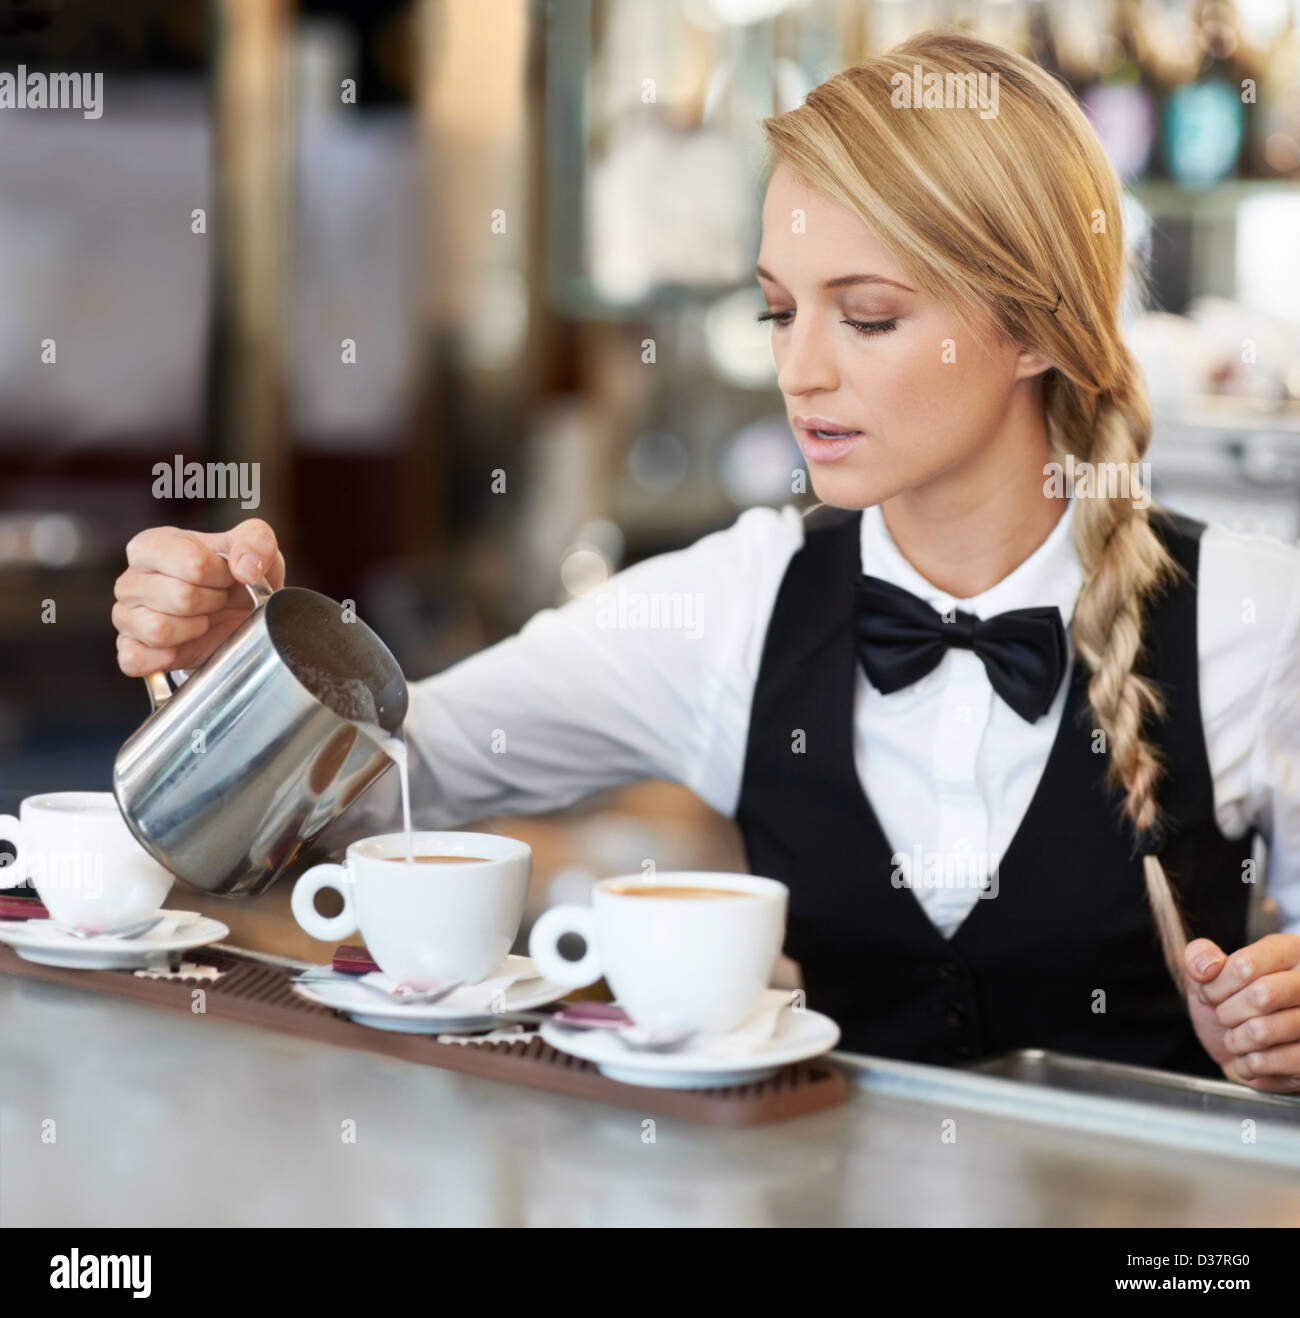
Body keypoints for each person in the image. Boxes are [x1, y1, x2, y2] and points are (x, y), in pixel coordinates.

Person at [112, 31, 1300, 1089]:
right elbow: (388, 775)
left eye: (868, 316)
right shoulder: (732, 603)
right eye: (781, 311)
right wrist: (239, 677)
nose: (802, 371)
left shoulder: (1255, 612)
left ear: (1036, 326)